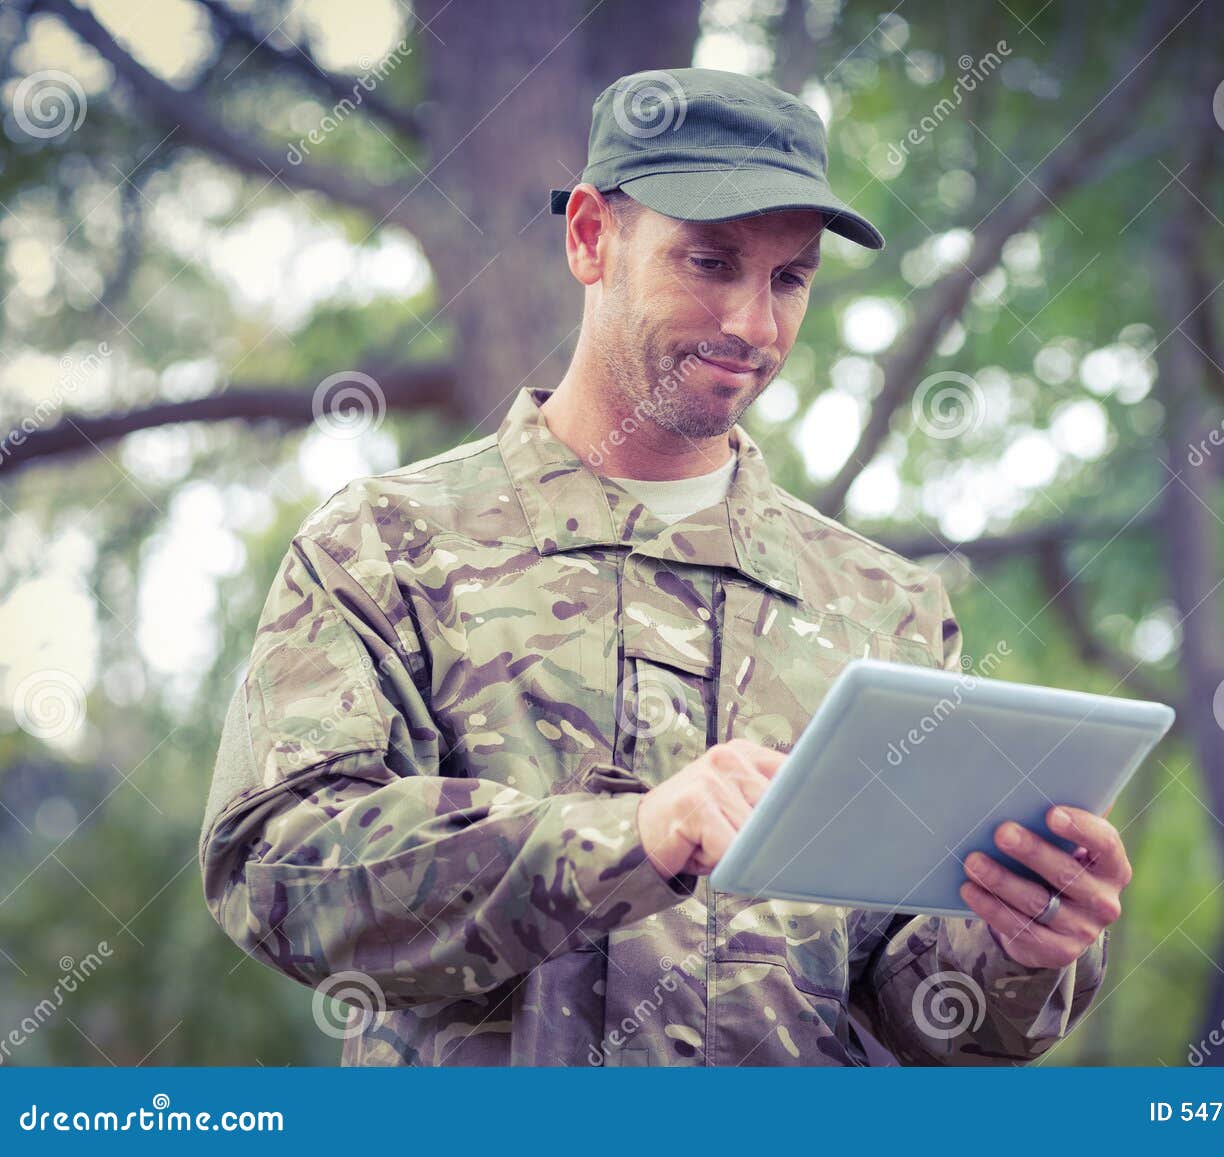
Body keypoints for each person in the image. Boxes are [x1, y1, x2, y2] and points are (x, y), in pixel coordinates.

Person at [199, 67, 1130, 1066]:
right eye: (709, 261)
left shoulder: (884, 607)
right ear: (592, 237)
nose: (752, 327)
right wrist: (630, 837)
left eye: (789, 278)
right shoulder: (387, 545)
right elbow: (279, 872)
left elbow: (915, 1020)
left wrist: (1018, 943)